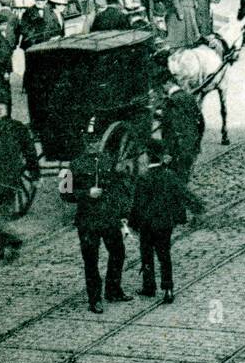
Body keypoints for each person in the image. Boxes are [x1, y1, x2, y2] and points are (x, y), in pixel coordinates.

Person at [60, 138, 133, 313]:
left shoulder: (109, 161)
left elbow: (119, 189)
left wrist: (123, 215)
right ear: (84, 142)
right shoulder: (74, 165)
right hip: (88, 221)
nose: (92, 144)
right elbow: (64, 192)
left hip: (109, 218)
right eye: (89, 141)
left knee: (118, 253)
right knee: (91, 261)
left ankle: (113, 290)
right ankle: (95, 299)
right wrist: (86, 193)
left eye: (96, 140)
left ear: (101, 141)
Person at [128, 141, 204, 302]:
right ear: (161, 158)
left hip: (147, 225)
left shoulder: (143, 178)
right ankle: (168, 289)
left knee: (146, 255)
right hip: (164, 224)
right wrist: (198, 209)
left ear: (148, 157)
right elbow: (185, 194)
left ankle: (149, 287)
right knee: (164, 256)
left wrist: (133, 224)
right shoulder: (170, 176)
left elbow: (137, 204)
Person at [0, 100, 39, 260]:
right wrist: (34, 174)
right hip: (14, 179)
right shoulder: (19, 127)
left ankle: (14, 238)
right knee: (3, 212)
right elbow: (30, 152)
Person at [158, 76, 205, 182]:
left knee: (177, 178)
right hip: (190, 143)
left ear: (168, 83)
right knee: (185, 175)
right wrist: (197, 142)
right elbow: (201, 122)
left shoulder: (170, 101)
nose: (163, 89)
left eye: (163, 86)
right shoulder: (190, 97)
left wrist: (167, 152)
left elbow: (167, 128)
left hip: (177, 147)